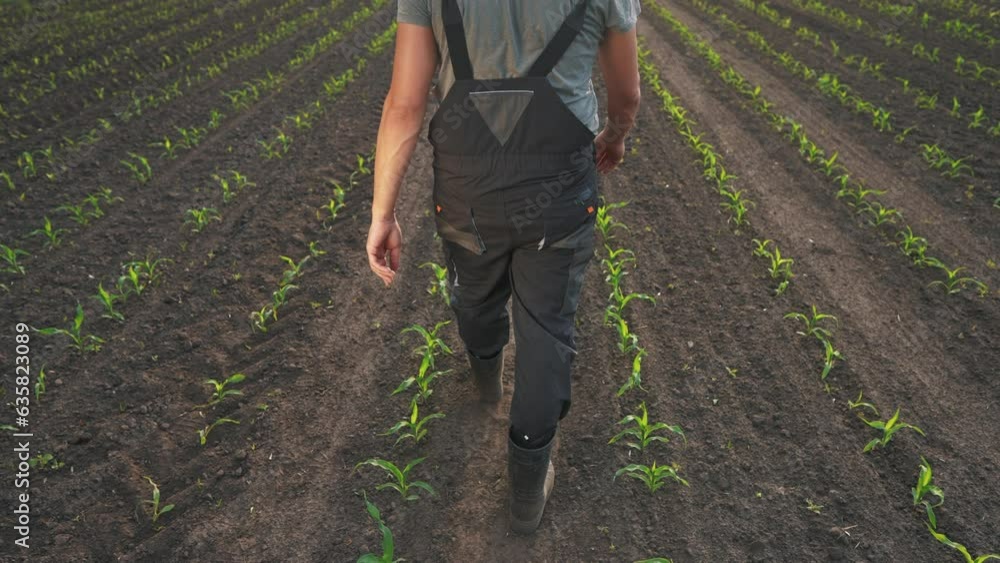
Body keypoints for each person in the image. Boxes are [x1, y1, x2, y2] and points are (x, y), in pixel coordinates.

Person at [366, 0, 641, 535]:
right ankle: (526, 489)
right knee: (546, 333)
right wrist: (615, 135)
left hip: (470, 187)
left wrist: (383, 213)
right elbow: (626, 93)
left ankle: (486, 374)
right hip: (560, 186)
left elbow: (405, 103)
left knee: (475, 293)